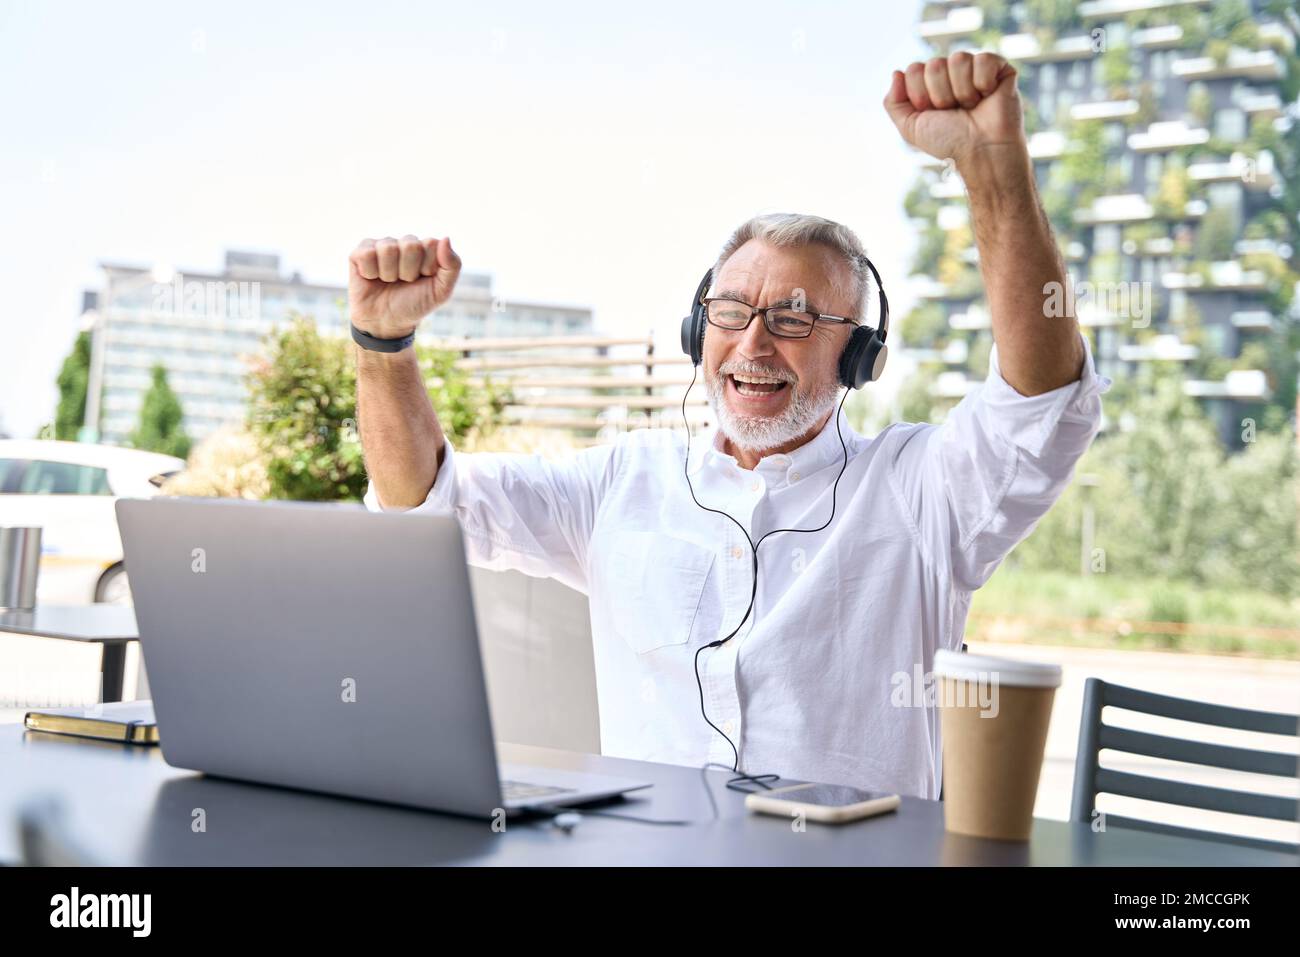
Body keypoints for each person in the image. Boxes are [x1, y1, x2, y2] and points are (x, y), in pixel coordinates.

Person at [349, 53, 1110, 799]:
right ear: (696, 329)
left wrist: (991, 164)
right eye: (731, 312)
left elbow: (1040, 400)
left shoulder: (921, 490)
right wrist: (384, 347)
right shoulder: (619, 481)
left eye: (793, 318)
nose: (753, 343)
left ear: (860, 356)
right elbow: (426, 503)